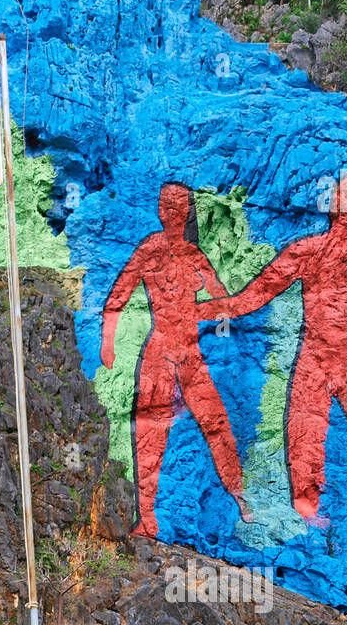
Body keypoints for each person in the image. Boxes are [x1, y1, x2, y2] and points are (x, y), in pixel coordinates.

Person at [200, 175, 347, 569]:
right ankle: (305, 527)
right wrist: (206, 310)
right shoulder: (307, 252)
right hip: (314, 358)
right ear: (333, 206)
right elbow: (253, 297)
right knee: (303, 448)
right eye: (346, 198)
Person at [101, 182, 249, 538]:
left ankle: (240, 496)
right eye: (166, 204)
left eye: (180, 205)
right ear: (159, 209)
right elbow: (118, 294)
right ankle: (146, 515)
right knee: (150, 431)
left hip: (191, 355)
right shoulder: (150, 249)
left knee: (217, 423)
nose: (172, 212)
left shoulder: (195, 256)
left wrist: (205, 311)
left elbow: (224, 301)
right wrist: (108, 342)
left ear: (187, 212)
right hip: (158, 352)